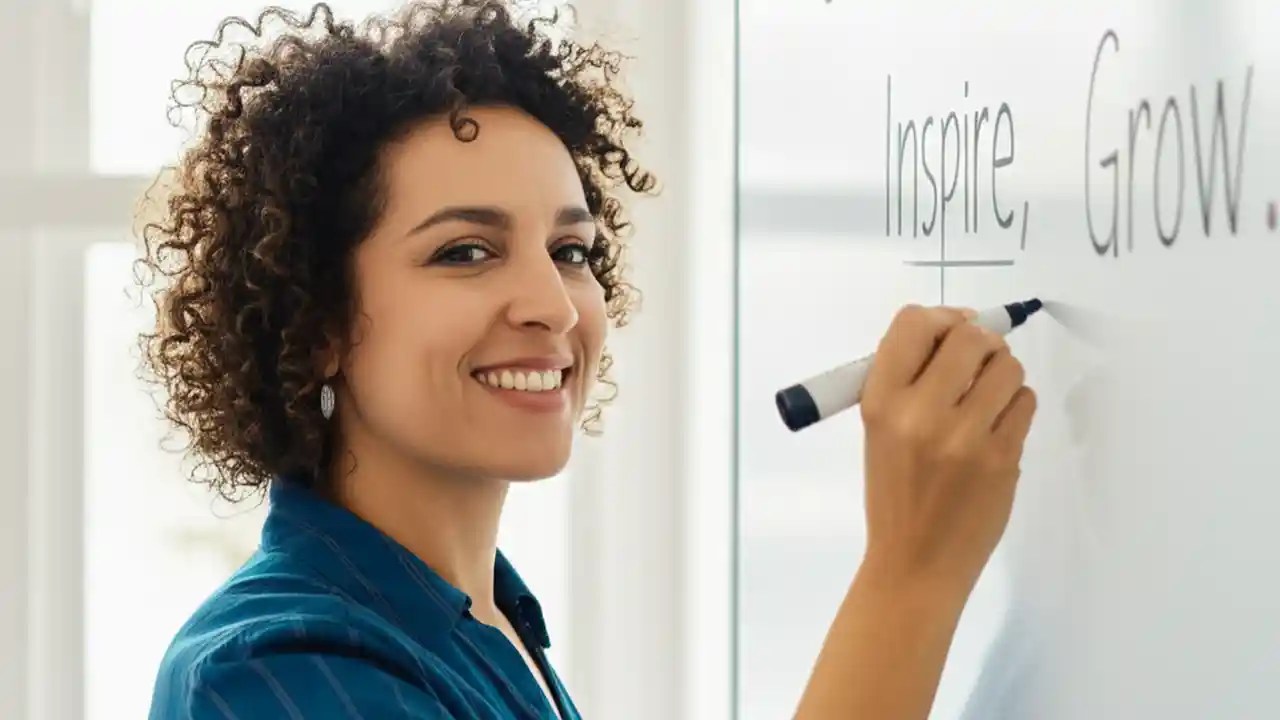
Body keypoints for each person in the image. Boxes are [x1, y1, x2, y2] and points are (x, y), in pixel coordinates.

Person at [138, 2, 1037, 718]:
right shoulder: (270, 673)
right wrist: (911, 572)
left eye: (570, 251)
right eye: (465, 252)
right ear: (318, 320)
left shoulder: (492, 624)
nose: (555, 304)